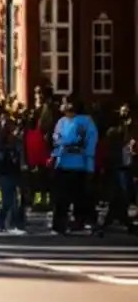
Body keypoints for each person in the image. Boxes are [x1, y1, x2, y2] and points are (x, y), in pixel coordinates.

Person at [51, 96, 98, 234]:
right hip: (65, 164)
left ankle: (78, 222)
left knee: (79, 197)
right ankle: (62, 224)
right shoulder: (62, 122)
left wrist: (89, 166)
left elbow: (90, 144)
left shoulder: (86, 122)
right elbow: (55, 139)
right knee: (64, 198)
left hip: (78, 166)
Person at [0, 116, 25, 233]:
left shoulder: (15, 142)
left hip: (11, 173)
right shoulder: (2, 143)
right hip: (6, 173)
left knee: (14, 200)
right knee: (8, 200)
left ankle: (11, 224)